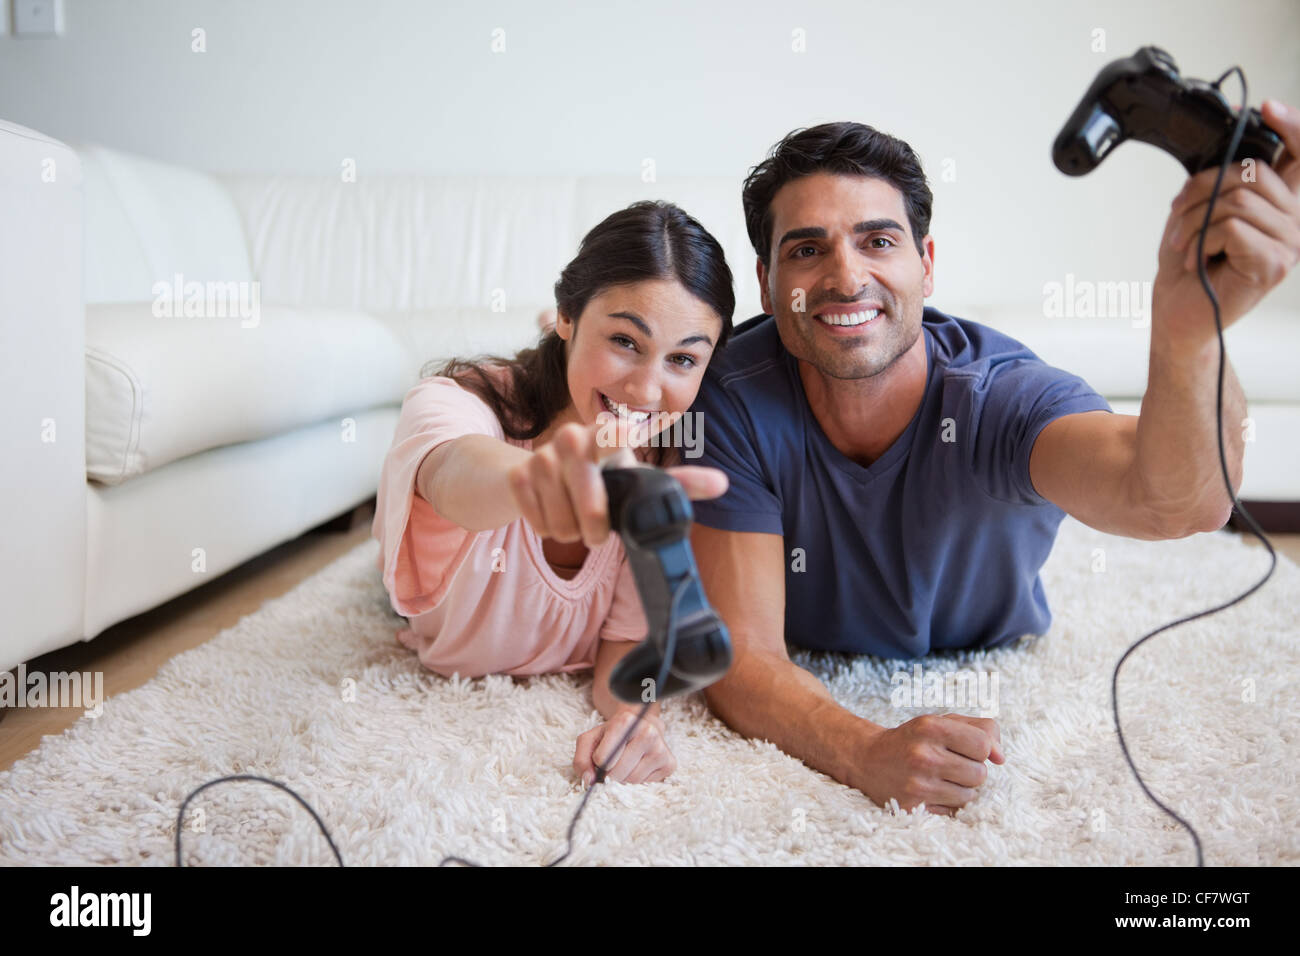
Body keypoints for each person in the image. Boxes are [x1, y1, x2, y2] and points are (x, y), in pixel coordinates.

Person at [688, 107, 1300, 815]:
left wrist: (1194, 329)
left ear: (927, 264)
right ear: (766, 286)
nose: (846, 277)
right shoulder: (730, 393)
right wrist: (862, 750)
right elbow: (742, 659)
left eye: (878, 241)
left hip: (988, 642)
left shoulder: (1000, 396)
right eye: (806, 250)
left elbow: (1180, 503)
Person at [372, 200, 734, 787]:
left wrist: (635, 718)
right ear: (567, 316)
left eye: (683, 358)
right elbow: (454, 473)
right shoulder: (455, 401)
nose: (646, 388)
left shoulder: (669, 460)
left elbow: (625, 641)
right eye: (624, 339)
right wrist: (531, 480)